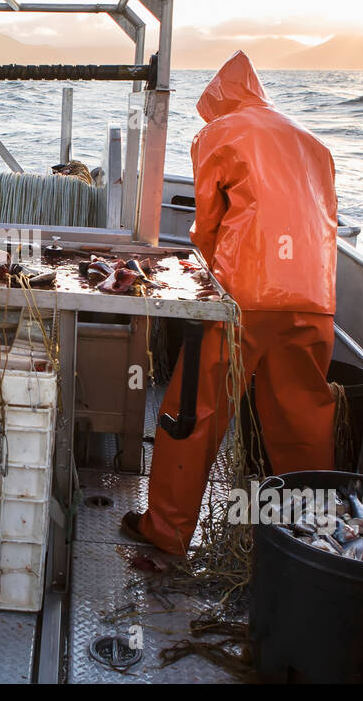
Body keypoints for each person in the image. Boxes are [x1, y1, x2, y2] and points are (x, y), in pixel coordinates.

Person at [124, 50, 339, 555]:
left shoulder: (219, 133)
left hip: (242, 296)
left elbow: (208, 223)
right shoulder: (315, 144)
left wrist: (198, 269)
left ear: (217, 104)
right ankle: (312, 542)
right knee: (303, 419)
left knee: (193, 412)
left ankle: (167, 532)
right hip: (314, 299)